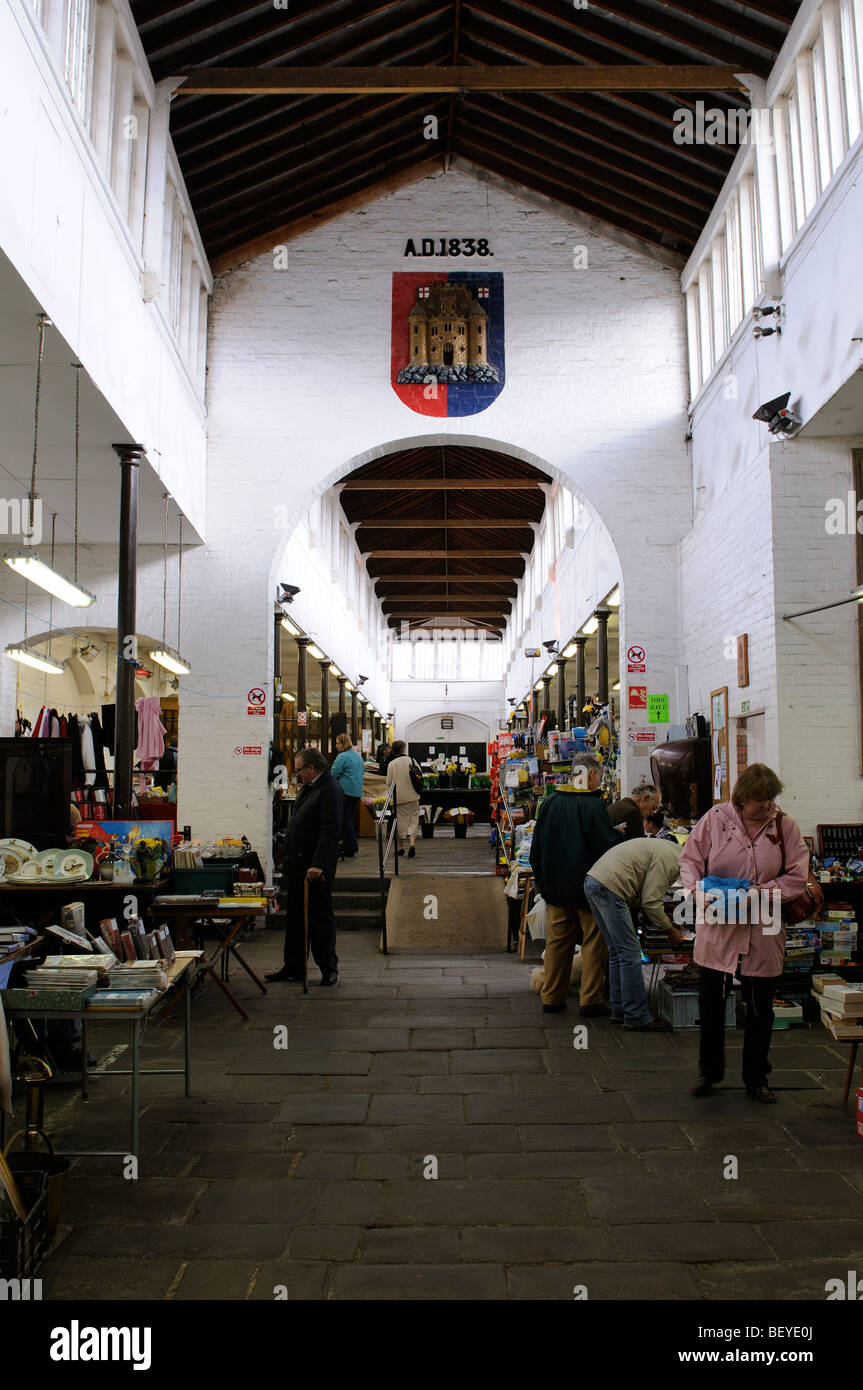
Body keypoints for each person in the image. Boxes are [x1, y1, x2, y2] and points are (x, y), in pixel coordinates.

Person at [678, 763, 808, 1103]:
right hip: (719, 926)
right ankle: (710, 1072)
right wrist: (696, 891)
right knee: (712, 1004)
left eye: (770, 799)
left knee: (760, 1008)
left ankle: (756, 1078)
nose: (766, 806)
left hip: (764, 926)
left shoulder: (784, 826)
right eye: (758, 801)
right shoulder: (715, 820)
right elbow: (689, 860)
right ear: (741, 799)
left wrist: (761, 893)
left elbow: (797, 876)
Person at [529, 752, 620, 1015]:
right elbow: (605, 847)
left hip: (556, 889)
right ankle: (590, 1000)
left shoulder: (550, 802)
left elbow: (537, 848)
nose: (598, 784)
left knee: (557, 942)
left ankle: (552, 997)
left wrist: (543, 884)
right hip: (588, 890)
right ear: (591, 775)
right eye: (598, 779)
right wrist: (617, 835)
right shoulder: (593, 805)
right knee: (593, 941)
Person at [584, 837, 683, 1031]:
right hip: (610, 886)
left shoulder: (669, 850)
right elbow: (651, 902)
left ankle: (620, 1009)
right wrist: (670, 929)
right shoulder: (671, 859)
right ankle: (636, 1015)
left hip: (595, 881)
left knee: (617, 951)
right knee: (630, 953)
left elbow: (645, 895)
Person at [266, 747, 345, 987]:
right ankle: (294, 966)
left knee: (319, 919)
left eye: (300, 770)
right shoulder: (309, 788)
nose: (298, 774)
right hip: (298, 864)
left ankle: (329, 968)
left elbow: (330, 830)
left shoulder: (330, 789)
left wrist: (319, 864)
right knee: (297, 920)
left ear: (312, 768)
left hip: (315, 868)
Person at [386, 739, 421, 858]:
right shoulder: (412, 760)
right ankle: (412, 843)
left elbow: (389, 782)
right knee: (413, 820)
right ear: (404, 749)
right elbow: (420, 775)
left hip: (399, 798)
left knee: (401, 821)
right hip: (413, 796)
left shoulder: (392, 764)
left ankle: (400, 848)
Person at [331, 732, 364, 857]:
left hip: (345, 791)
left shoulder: (342, 757)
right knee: (349, 819)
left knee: (345, 819)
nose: (336, 746)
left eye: (338, 743)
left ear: (343, 744)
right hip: (356, 792)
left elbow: (334, 773)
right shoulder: (357, 756)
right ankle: (349, 846)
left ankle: (351, 846)